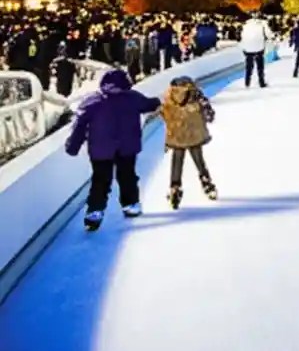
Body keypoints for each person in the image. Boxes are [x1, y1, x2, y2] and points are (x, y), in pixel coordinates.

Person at [64, 69, 162, 231]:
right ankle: (130, 204)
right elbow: (150, 104)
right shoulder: (132, 98)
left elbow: (79, 126)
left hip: (101, 149)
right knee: (127, 176)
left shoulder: (92, 102)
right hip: (127, 147)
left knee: (100, 180)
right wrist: (162, 100)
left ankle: (95, 211)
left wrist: (73, 146)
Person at [159, 76, 218, 209]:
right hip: (194, 134)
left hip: (177, 135)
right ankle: (207, 183)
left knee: (177, 160)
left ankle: (175, 187)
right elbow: (209, 113)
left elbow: (164, 113)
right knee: (198, 159)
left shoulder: (169, 95)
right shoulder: (196, 94)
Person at [240, 13, 271, 88]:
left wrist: (244, 48)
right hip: (259, 47)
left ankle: (247, 82)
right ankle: (261, 82)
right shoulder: (263, 24)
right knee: (260, 66)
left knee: (249, 66)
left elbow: (242, 36)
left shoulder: (245, 25)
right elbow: (269, 34)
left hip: (248, 48)